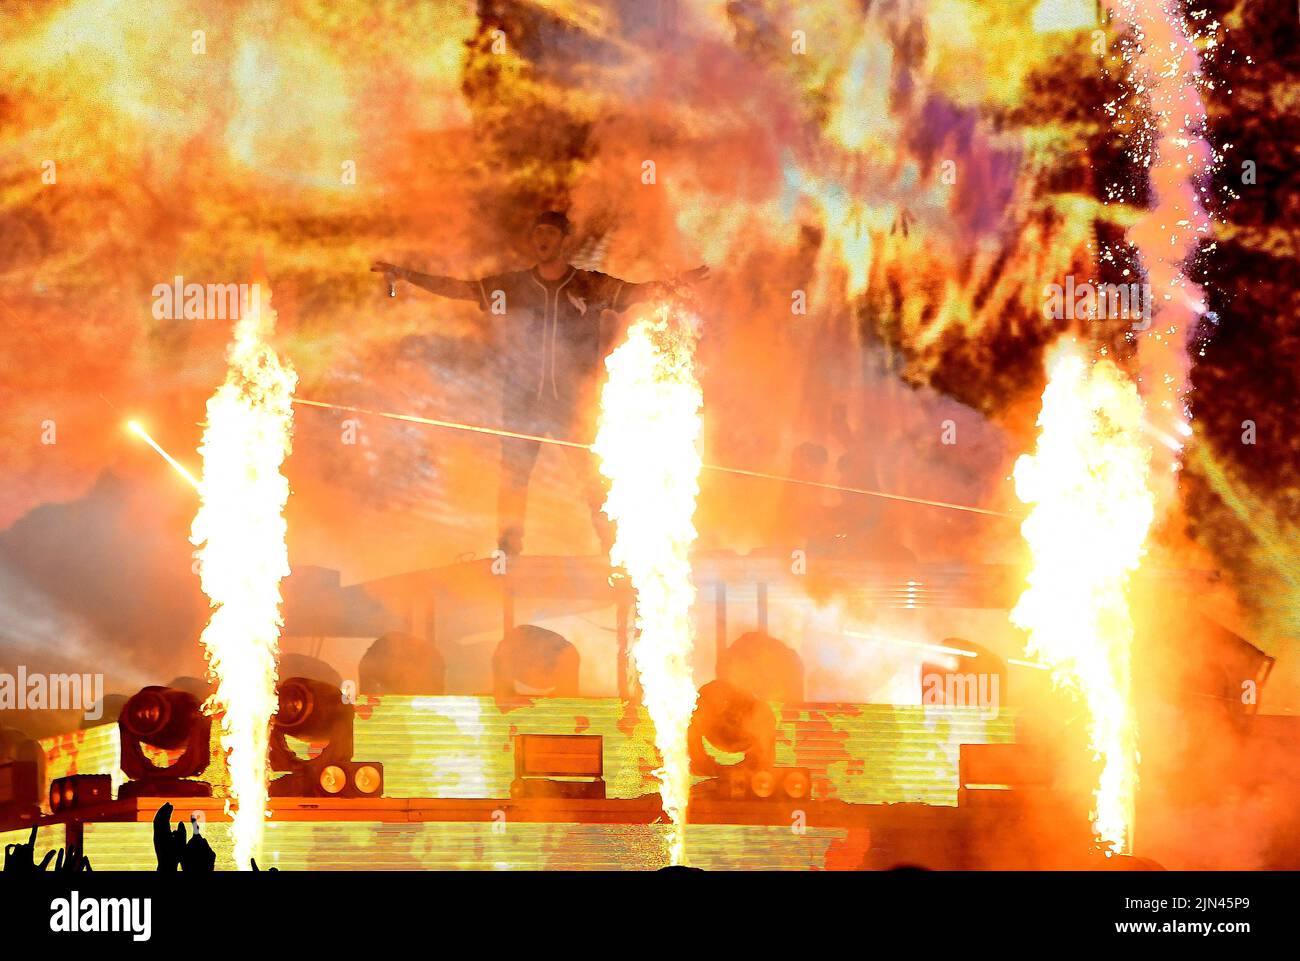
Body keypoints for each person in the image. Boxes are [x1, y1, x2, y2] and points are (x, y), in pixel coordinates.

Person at [373, 210, 708, 557]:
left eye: (549, 233)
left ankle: (619, 557)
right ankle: (508, 555)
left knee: (595, 483)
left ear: (564, 241)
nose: (542, 239)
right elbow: (462, 289)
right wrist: (407, 275)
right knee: (514, 481)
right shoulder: (514, 286)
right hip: (524, 401)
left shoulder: (587, 285)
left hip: (571, 406)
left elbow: (636, 293)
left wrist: (676, 283)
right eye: (537, 233)